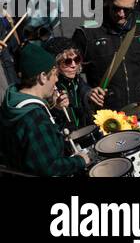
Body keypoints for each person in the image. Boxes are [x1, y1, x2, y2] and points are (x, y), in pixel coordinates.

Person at [0, 43, 89, 176]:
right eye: (54, 74)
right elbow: (48, 167)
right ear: (42, 76)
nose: (56, 79)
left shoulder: (12, 103)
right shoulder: (35, 117)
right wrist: (80, 160)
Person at [47, 37, 92, 133]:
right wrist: (56, 107)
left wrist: (90, 93)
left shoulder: (76, 79)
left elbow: (83, 89)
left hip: (83, 130)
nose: (74, 65)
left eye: (77, 59)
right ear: (56, 65)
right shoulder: (51, 86)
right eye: (67, 61)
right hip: (67, 136)